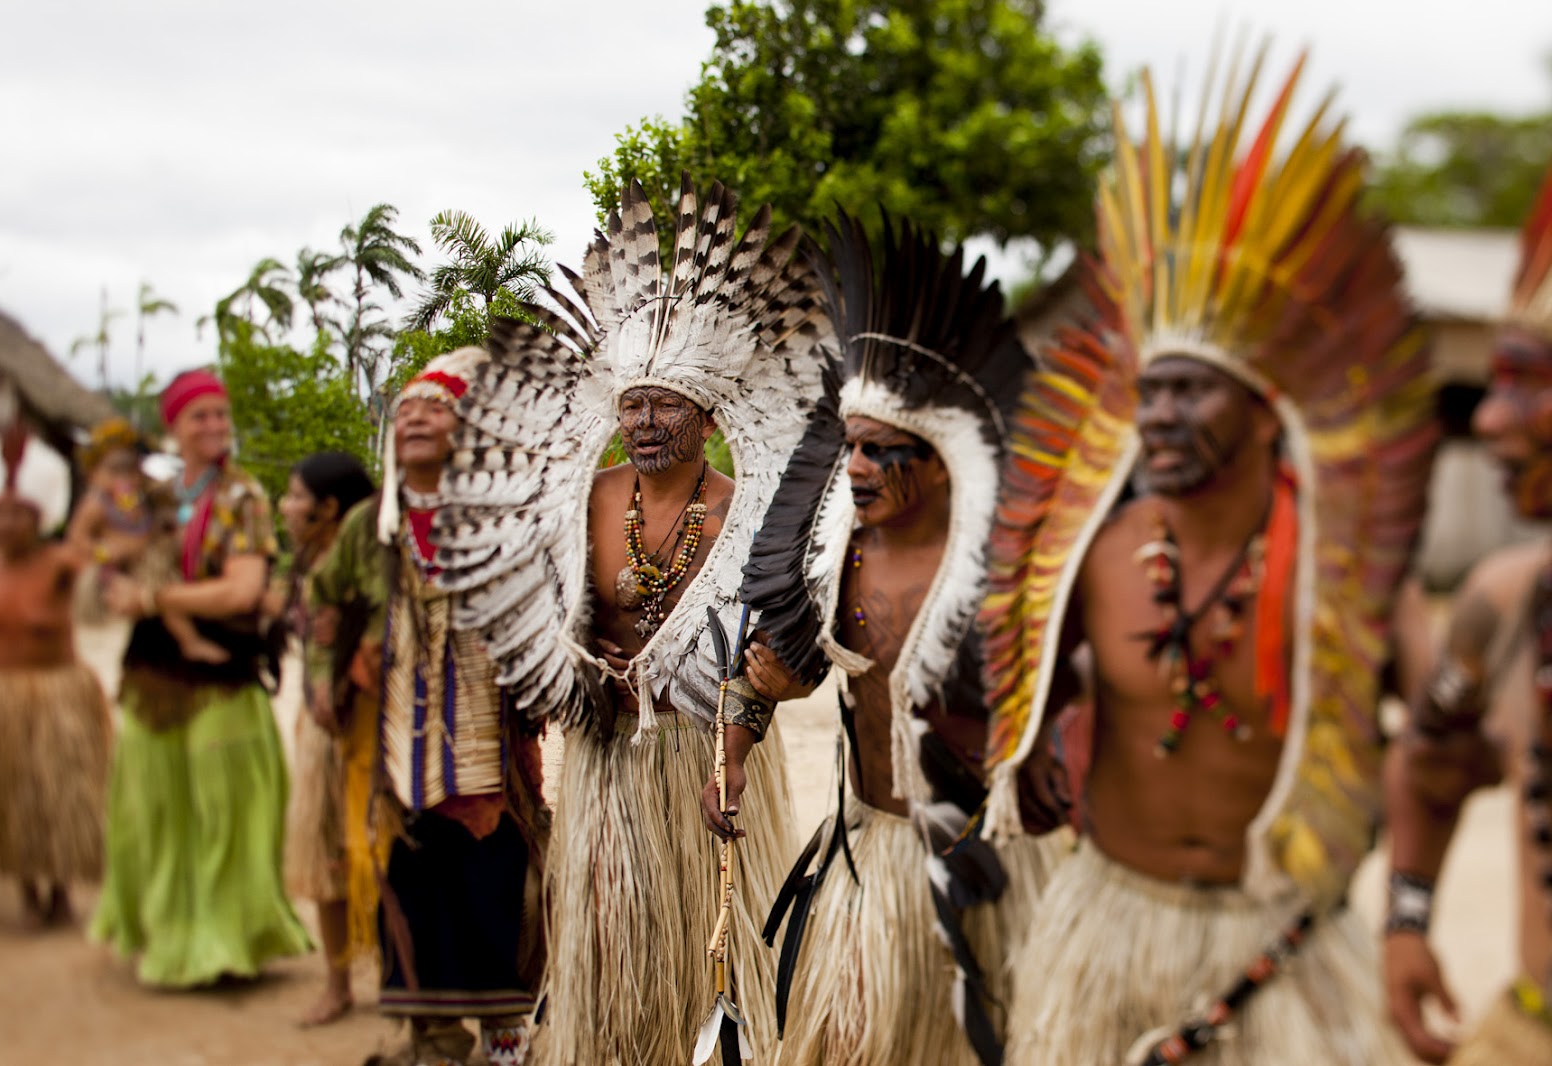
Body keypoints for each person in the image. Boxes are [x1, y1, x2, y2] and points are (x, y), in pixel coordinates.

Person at [980, 50, 1437, 1065]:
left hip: (1273, 947)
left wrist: (1408, 913)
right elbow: (1026, 708)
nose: (1161, 416)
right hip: (1109, 923)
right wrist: (1048, 747)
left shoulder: (1348, 572)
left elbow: (1432, 749)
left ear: (1265, 402)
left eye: (1190, 390)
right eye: (1150, 391)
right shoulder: (1092, 559)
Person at [435, 177, 831, 1064]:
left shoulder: (751, 513)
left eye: (666, 405)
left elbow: (782, 651)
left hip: (707, 760)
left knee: (709, 955)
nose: (645, 422)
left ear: (707, 412)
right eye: (632, 404)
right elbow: (534, 616)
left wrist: (731, 743)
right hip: (608, 762)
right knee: (612, 954)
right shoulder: (586, 498)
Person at [732, 214, 1058, 1066]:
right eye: (849, 447)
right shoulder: (836, 548)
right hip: (870, 853)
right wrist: (748, 722)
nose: (857, 469)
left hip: (993, 866)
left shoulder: (1011, 569)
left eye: (882, 451)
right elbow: (790, 667)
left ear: (943, 458)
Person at [310, 353, 548, 1066]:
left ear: (466, 429)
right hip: (396, 741)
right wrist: (332, 671)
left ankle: (504, 1026)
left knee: (496, 880)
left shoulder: (502, 516)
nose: (414, 418)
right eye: (404, 410)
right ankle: (432, 1037)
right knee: (414, 887)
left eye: (433, 408)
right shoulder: (367, 528)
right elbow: (325, 600)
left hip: (485, 739)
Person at [1383, 162, 1552, 1065]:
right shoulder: (1505, 598)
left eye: (1530, 384)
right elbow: (1431, 756)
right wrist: (1408, 919)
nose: (1490, 420)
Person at [89, 368, 312, 986]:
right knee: (155, 810)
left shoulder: (242, 497)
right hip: (153, 675)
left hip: (222, 673)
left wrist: (157, 598)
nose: (214, 426)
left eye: (220, 414)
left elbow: (243, 590)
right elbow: (110, 563)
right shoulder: (154, 500)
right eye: (199, 416)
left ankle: (224, 939)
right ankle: (171, 930)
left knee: (226, 811)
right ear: (174, 427)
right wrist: (118, 586)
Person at [0, 425, 110, 926]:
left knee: (56, 798)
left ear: (39, 518)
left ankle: (60, 889)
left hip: (56, 696)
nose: (5, 524)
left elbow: (94, 553)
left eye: (17, 514)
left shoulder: (59, 563)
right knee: (9, 796)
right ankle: (26, 889)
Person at [273, 451, 376, 1026]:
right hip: (322, 731)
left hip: (367, 723)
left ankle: (395, 975)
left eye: (293, 496)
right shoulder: (308, 561)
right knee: (326, 856)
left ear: (329, 508)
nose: (285, 506)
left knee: (376, 851)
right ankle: (338, 983)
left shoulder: (369, 560)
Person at [67, 417, 225, 662]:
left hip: (149, 559)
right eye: (114, 470)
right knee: (163, 594)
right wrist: (103, 553)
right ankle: (189, 641)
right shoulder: (96, 504)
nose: (124, 478)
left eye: (130, 470)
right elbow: (77, 538)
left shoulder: (143, 496)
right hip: (120, 569)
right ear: (93, 474)